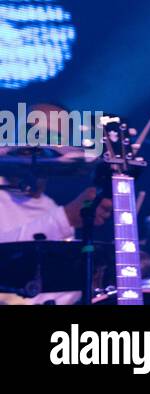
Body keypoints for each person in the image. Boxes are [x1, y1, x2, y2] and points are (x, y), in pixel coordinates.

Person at [0, 102, 112, 304]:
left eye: (52, 139)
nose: (40, 146)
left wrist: (91, 279)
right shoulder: (58, 213)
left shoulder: (49, 207)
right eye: (32, 134)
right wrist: (66, 217)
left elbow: (47, 294)